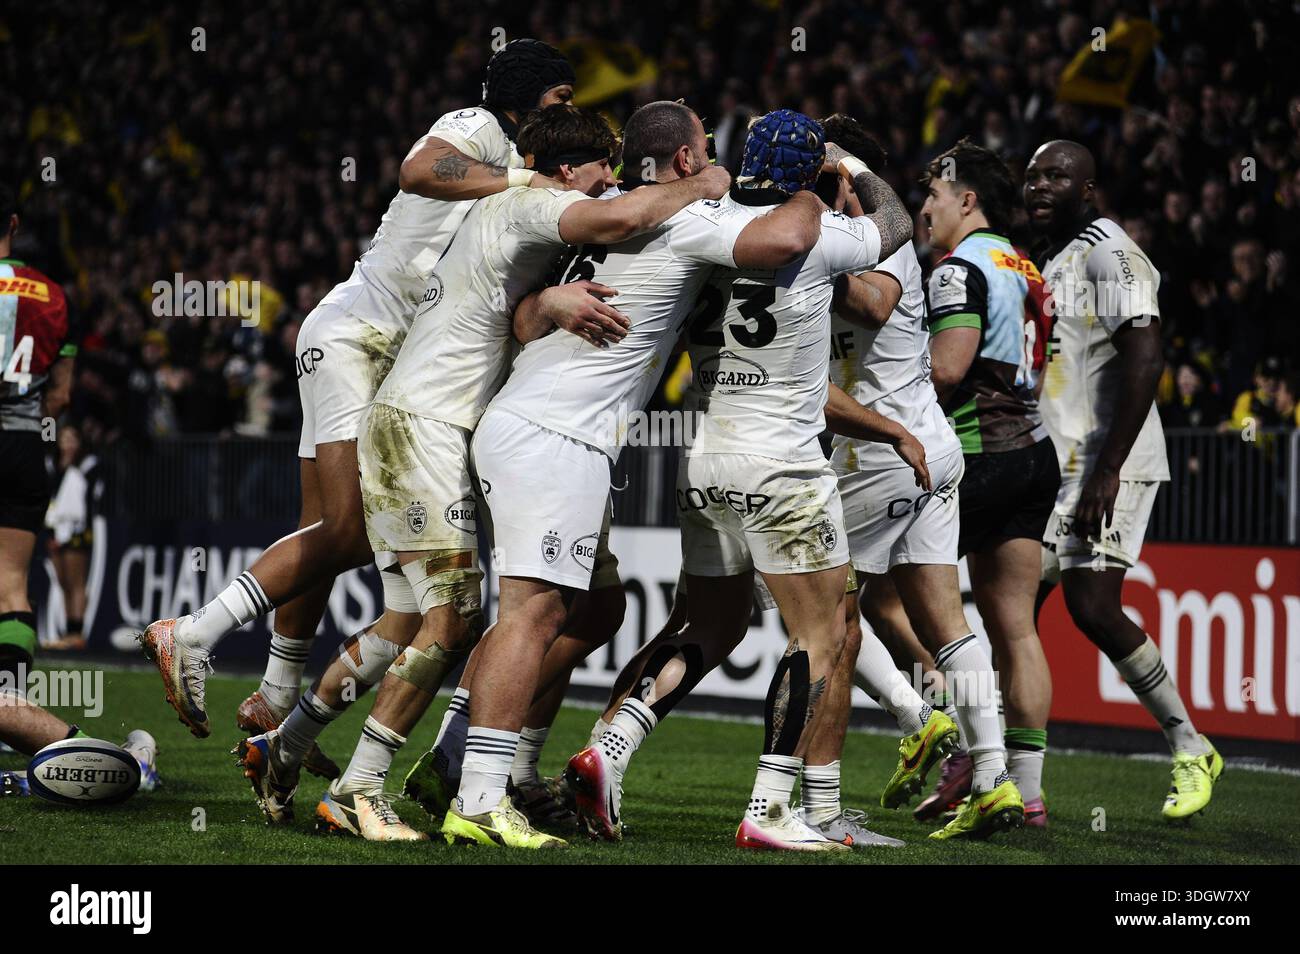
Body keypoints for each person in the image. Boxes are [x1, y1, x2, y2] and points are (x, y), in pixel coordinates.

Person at [138, 40, 578, 780]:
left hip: (383, 356)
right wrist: (518, 174)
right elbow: (415, 169)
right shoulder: (479, 128)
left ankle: (280, 696)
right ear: (528, 96)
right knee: (345, 531)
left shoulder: (518, 183)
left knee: (375, 570)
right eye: (560, 102)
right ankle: (193, 631)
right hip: (359, 338)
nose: (566, 117)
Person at [300, 103, 729, 842]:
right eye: (603, 169)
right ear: (569, 171)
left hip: (478, 421)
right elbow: (623, 220)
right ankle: (392, 781)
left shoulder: (541, 216)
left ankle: (311, 747)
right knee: (460, 617)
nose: (613, 182)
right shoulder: (534, 201)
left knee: (587, 607)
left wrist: (544, 302)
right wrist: (709, 185)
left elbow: (521, 306)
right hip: (435, 422)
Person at [442, 100, 823, 850]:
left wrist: (550, 300)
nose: (717, 160)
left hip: (533, 424)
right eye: (706, 150)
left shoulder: (598, 207)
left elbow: (520, 316)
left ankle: (473, 777)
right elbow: (783, 240)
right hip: (558, 435)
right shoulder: (685, 217)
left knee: (558, 611)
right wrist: (813, 184)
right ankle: (479, 797)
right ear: (685, 161)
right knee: (532, 614)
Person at [561, 107, 921, 852]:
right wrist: (850, 170)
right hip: (783, 462)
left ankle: (610, 746)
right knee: (824, 631)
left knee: (710, 625)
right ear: (807, 171)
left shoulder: (703, 223)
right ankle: (769, 809)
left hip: (708, 455)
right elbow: (898, 223)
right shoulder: (817, 234)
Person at [1025, 139, 1222, 822]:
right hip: (1061, 464)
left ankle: (1190, 745)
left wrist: (1108, 467)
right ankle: (1014, 788)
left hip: (1111, 460)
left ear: (1090, 191)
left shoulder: (1112, 252)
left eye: (1057, 176)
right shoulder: (1050, 259)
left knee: (1091, 606)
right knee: (1013, 609)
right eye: (1033, 177)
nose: (1040, 186)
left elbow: (1146, 357)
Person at [922, 138, 1058, 833]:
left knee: (894, 596)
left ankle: (964, 748)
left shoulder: (957, 269)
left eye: (934, 196)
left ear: (966, 200)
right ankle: (1027, 794)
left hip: (977, 454)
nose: (925, 208)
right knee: (1017, 628)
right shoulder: (1027, 265)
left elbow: (948, 369)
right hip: (1035, 456)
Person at [0, 184, 74, 694]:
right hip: (24, 447)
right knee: (12, 587)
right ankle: (10, 710)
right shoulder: (51, 293)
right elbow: (62, 396)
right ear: (12, 224)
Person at [44, 423, 101, 651]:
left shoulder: (86, 466)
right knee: (63, 581)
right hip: (54, 527)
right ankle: (68, 631)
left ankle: (77, 632)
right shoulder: (53, 465)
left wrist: (68, 532)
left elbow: (83, 503)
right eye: (64, 438)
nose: (67, 444)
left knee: (76, 581)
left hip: (76, 530)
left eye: (72, 439)